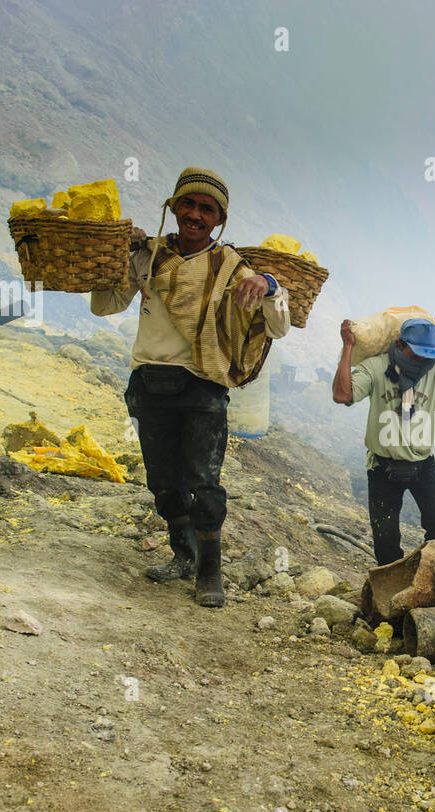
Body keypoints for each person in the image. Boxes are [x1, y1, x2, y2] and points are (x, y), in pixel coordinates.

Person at [90, 167, 291, 607]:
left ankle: (209, 572)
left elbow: (278, 326)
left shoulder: (232, 268)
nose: (194, 215)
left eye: (206, 209)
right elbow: (106, 306)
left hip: (201, 388)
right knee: (163, 481)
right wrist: (111, 259)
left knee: (204, 480)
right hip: (148, 382)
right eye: (188, 205)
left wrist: (270, 284)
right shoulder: (149, 256)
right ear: (173, 207)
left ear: (219, 220)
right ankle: (182, 555)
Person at [331, 317, 435, 566]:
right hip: (382, 468)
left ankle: (428, 581)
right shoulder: (375, 367)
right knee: (386, 544)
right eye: (416, 353)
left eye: (427, 354)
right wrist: (348, 347)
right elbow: (342, 395)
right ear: (399, 344)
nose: (421, 360)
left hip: (423, 466)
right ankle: (392, 589)